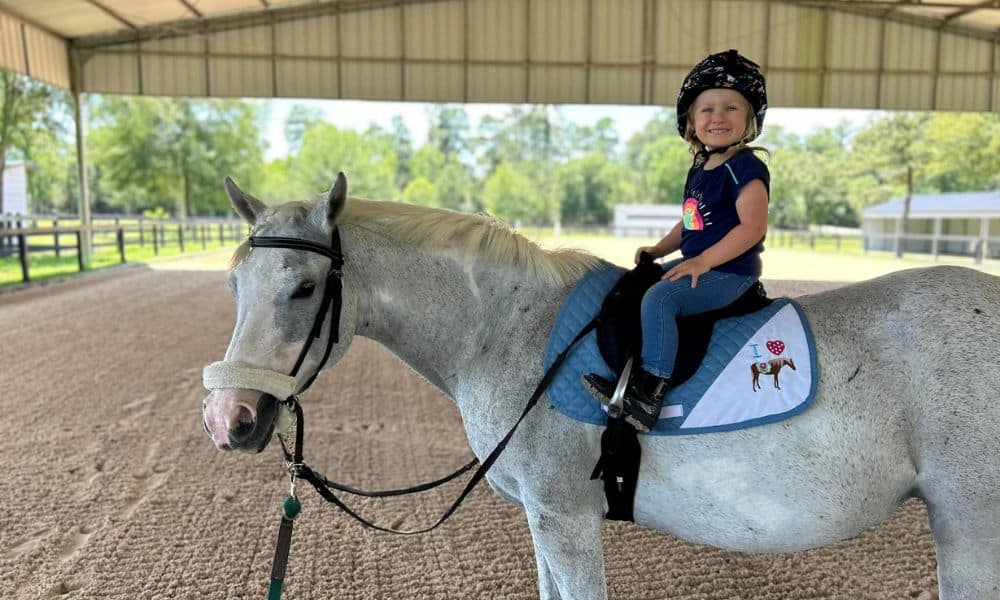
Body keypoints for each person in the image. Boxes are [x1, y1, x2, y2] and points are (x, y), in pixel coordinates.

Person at [584, 49, 771, 431]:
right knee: (635, 287)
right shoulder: (700, 168)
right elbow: (689, 224)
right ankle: (628, 368)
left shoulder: (746, 168)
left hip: (730, 272)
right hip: (702, 263)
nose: (717, 117)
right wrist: (658, 250)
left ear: (750, 119)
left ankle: (649, 393)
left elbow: (751, 228)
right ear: (691, 120)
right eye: (707, 109)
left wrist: (703, 262)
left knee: (661, 298)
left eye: (731, 108)